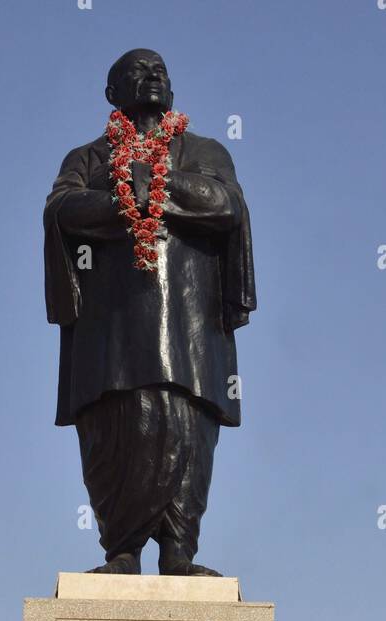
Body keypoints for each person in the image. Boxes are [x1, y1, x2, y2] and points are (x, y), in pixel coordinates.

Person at [44, 49, 256, 576]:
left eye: (160, 69)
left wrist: (154, 180)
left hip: (189, 330)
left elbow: (225, 204)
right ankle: (122, 552)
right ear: (112, 93)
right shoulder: (89, 158)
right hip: (110, 334)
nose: (154, 76)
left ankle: (180, 552)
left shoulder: (203, 150)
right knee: (116, 427)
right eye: (138, 71)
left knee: (185, 423)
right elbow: (61, 210)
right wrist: (127, 196)